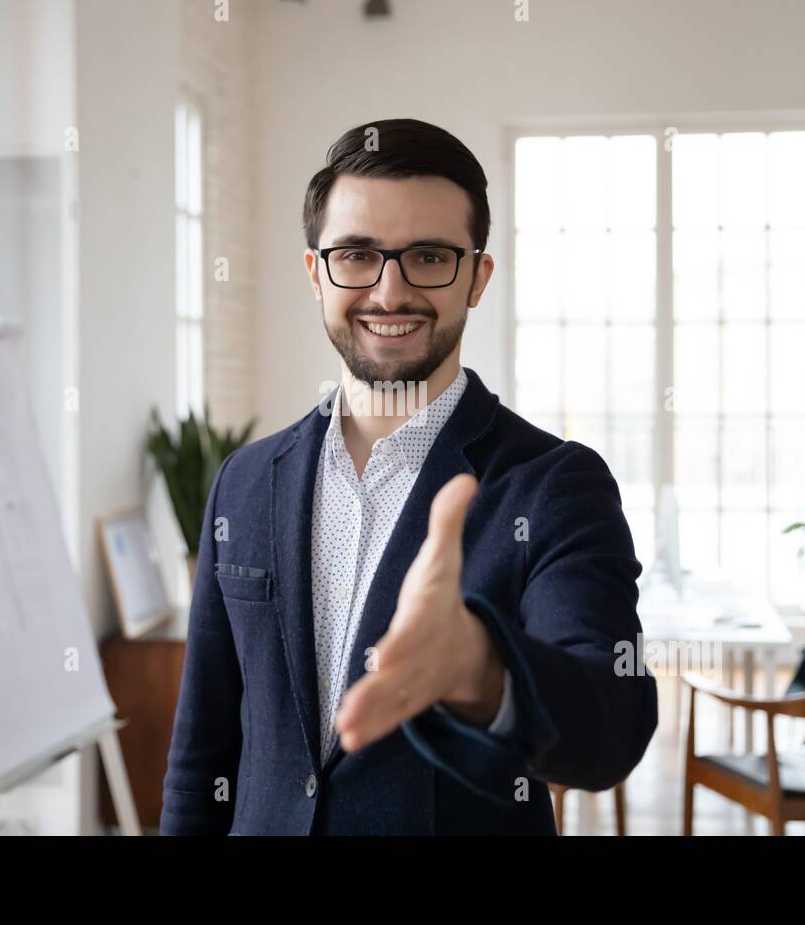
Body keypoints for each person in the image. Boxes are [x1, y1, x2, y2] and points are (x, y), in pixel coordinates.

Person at [160, 118, 657, 835]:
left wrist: (481, 671)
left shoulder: (553, 486)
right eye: (358, 254)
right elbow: (201, 751)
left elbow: (612, 724)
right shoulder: (244, 481)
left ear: (478, 277)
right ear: (315, 272)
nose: (390, 292)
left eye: (429, 256)